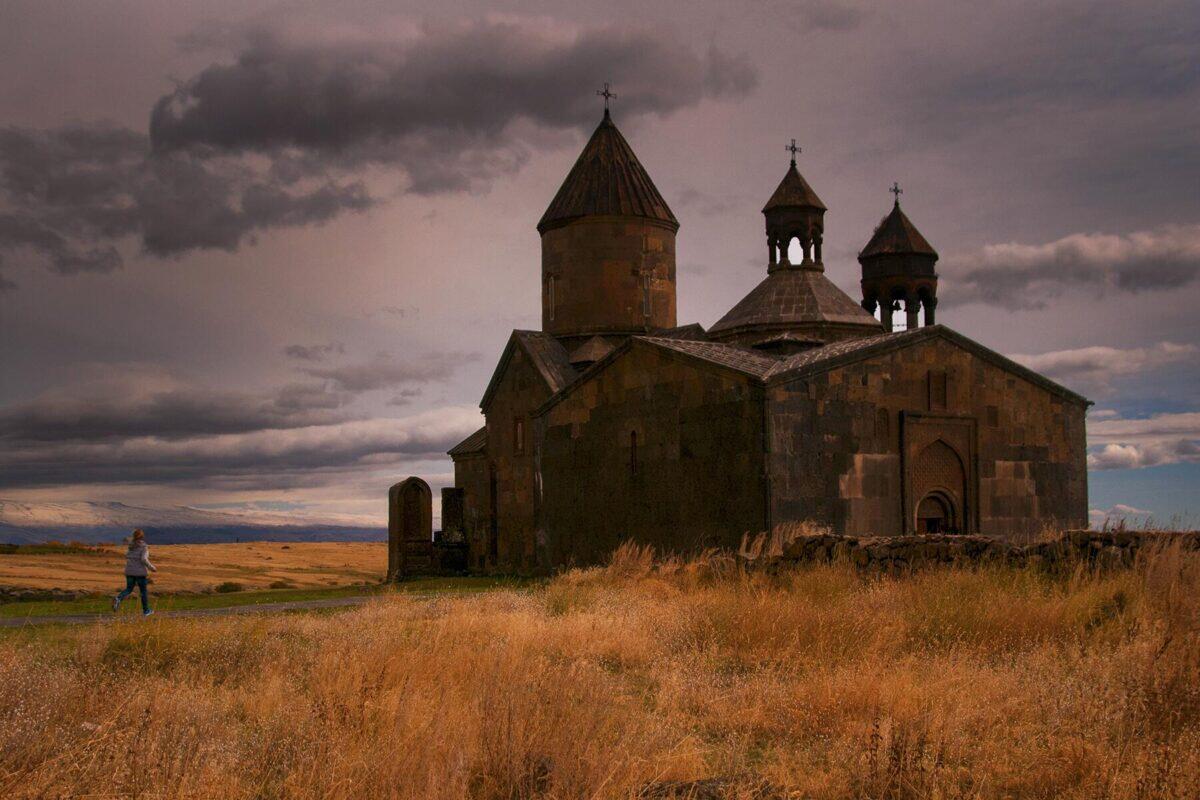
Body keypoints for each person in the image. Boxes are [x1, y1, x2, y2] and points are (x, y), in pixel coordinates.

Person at [112, 529, 156, 617]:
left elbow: (127, 556)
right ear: (142, 536)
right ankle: (146, 611)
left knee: (129, 589)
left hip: (129, 571)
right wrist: (152, 568)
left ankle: (118, 598)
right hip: (140, 573)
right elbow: (144, 559)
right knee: (143, 592)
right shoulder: (144, 547)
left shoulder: (130, 547)